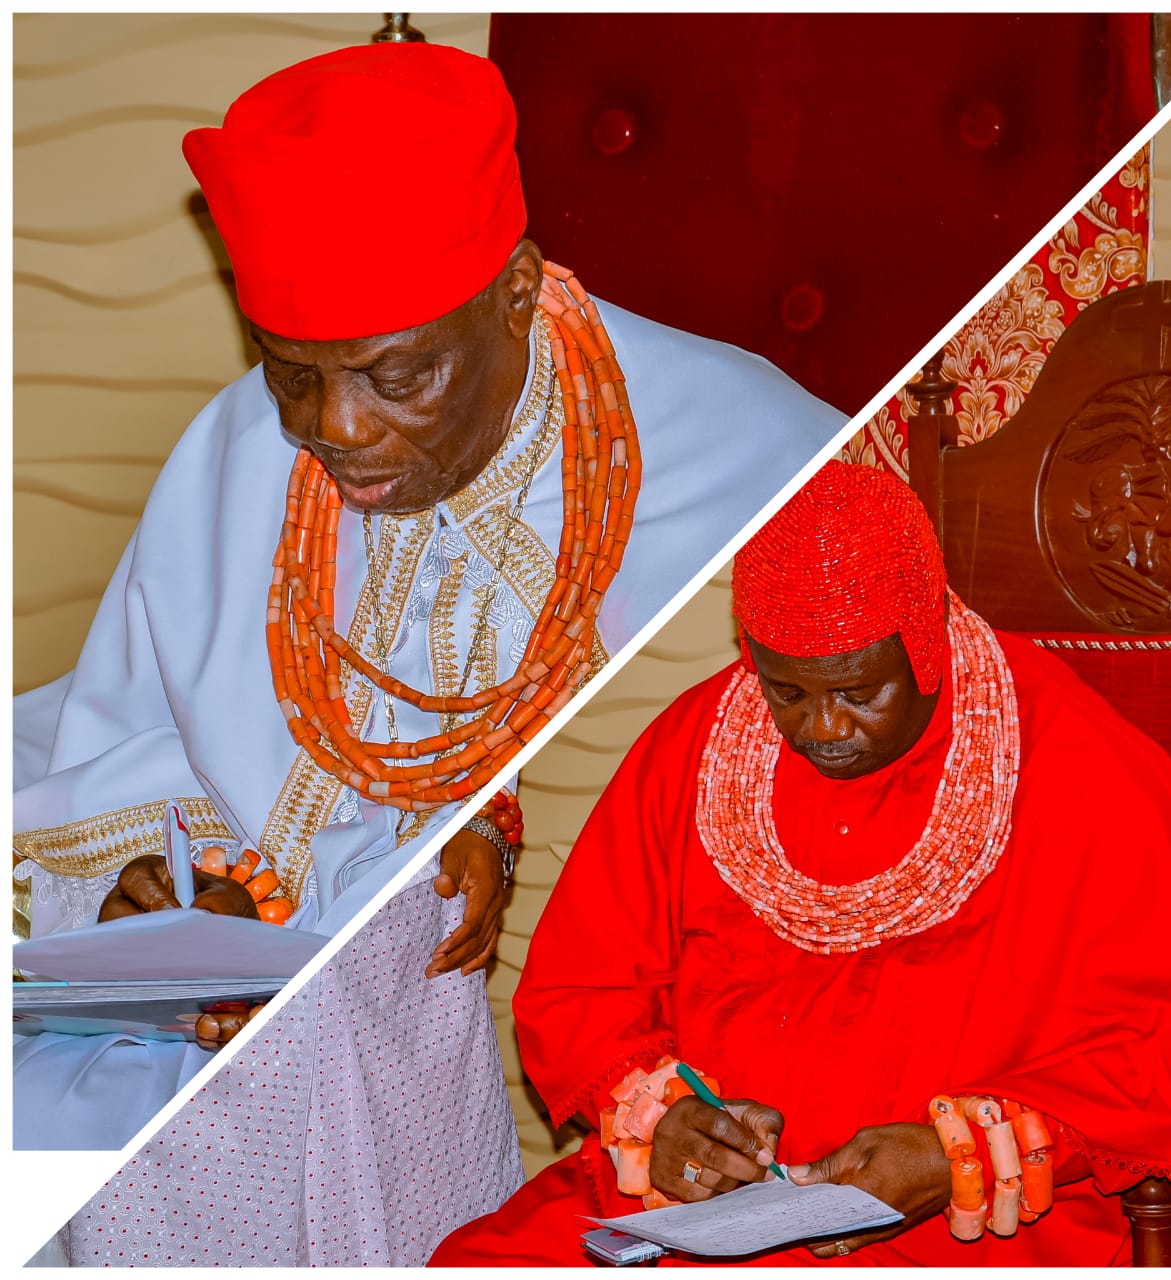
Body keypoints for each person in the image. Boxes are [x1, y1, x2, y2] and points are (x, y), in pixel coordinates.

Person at [12, 34, 846, 1207]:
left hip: (387, 997)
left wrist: (478, 834)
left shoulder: (748, 454)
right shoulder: (241, 444)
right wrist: (142, 876)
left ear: (513, 293)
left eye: (393, 376)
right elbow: (115, 727)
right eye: (292, 371)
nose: (335, 426)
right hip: (177, 988)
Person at [431, 462, 1171, 1266]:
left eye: (859, 692)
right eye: (786, 692)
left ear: (928, 646)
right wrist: (667, 1118)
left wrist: (952, 1152)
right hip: (711, 1215)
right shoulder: (697, 743)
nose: (822, 728)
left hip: (976, 1224)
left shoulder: (1080, 762)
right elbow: (583, 991)